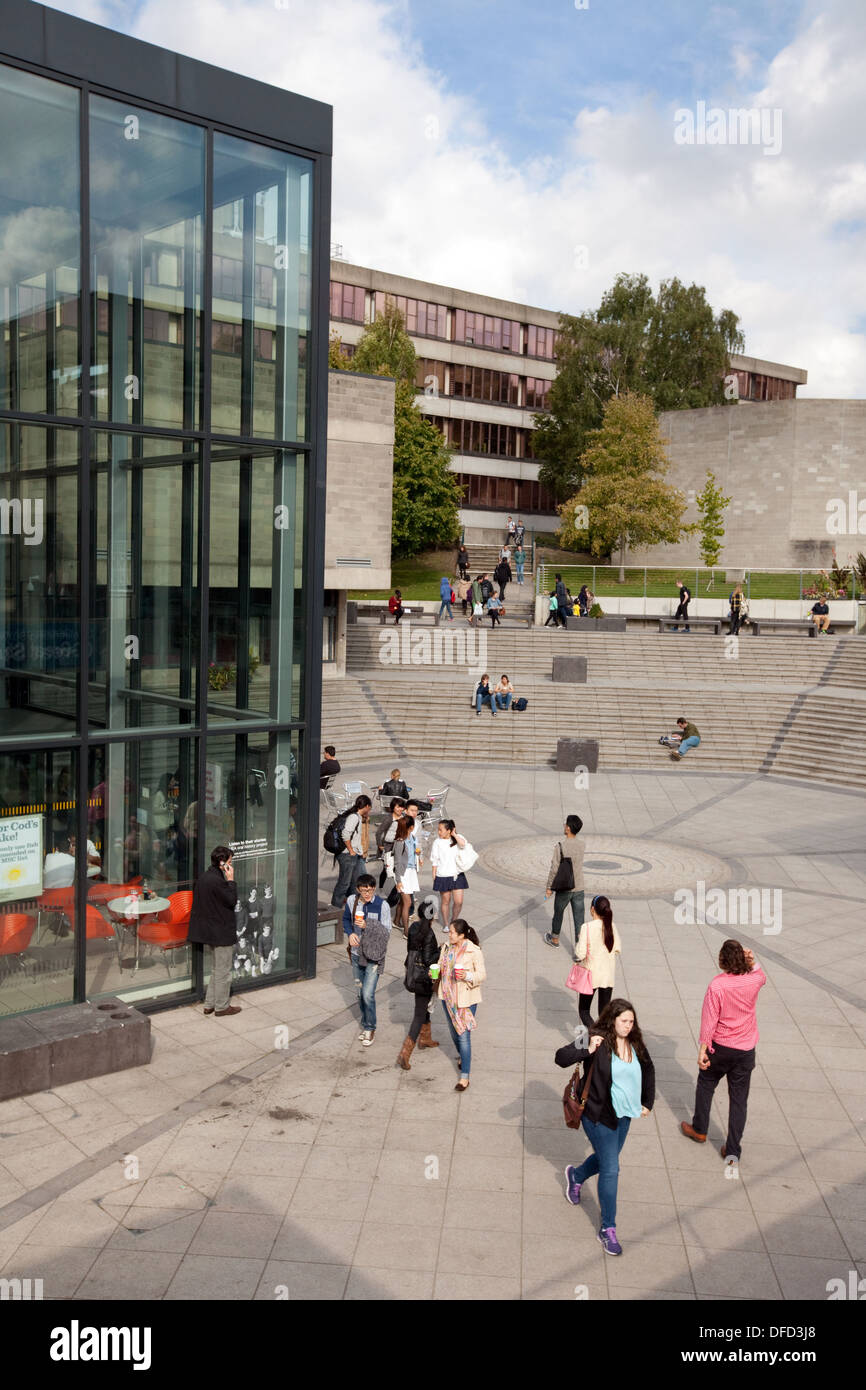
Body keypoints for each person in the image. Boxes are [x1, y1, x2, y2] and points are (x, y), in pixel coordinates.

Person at [556, 999, 655, 1255]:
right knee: (611, 1168)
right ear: (612, 1020)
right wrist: (587, 1049)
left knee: (604, 1159)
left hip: (625, 1116)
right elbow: (561, 1057)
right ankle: (607, 1229)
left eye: (631, 1021)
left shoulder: (635, 1042)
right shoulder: (596, 1038)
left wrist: (647, 1102)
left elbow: (649, 1068)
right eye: (624, 1021)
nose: (628, 1026)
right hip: (597, 1116)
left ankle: (575, 1176)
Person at [680, 941, 767, 1170]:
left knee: (706, 1083)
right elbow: (761, 975)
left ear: (722, 961)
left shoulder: (717, 985)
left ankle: (699, 1129)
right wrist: (752, 960)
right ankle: (733, 1151)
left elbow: (709, 1020)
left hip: (720, 1047)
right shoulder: (754, 979)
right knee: (739, 1101)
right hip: (745, 1050)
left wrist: (702, 1049)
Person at [188, 846, 241, 1016]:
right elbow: (232, 900)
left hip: (211, 931)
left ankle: (209, 1004)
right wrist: (231, 880)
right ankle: (222, 1006)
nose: (231, 866)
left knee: (216, 969)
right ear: (222, 863)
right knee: (223, 972)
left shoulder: (205, 877)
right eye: (230, 862)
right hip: (221, 932)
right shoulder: (218, 881)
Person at [342, 873, 392, 1046]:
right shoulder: (351, 901)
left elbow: (387, 933)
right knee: (359, 994)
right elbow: (346, 920)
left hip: (373, 956)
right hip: (356, 954)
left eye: (370, 890)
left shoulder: (382, 906)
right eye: (364, 890)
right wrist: (350, 934)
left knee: (367, 994)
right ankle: (366, 1024)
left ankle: (370, 1027)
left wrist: (368, 925)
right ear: (358, 889)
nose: (367, 893)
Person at [436, 919, 485, 1090]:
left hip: (465, 1000)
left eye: (451, 932)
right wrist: (434, 972)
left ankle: (465, 1076)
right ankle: (463, 1057)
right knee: (454, 1033)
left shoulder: (474, 951)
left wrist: (467, 976)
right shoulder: (446, 947)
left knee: (463, 1036)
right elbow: (441, 967)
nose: (449, 935)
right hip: (447, 998)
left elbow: (482, 975)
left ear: (462, 935)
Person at [398, 895, 442, 1069]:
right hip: (424, 979)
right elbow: (429, 960)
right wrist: (440, 951)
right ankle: (405, 1052)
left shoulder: (415, 927)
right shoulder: (429, 934)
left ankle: (425, 1038)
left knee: (423, 1009)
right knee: (419, 1013)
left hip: (413, 974)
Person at [573, 895, 622, 1028]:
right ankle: (605, 1039)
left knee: (584, 1011)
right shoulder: (611, 926)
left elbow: (579, 953)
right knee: (603, 1014)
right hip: (607, 977)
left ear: (592, 909)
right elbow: (617, 949)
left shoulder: (587, 927)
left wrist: (579, 940)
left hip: (590, 976)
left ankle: (596, 1035)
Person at [544, 814, 585, 948]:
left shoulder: (560, 846)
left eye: (565, 824)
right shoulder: (582, 845)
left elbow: (554, 869)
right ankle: (580, 949)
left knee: (558, 913)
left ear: (568, 828)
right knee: (579, 919)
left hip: (565, 887)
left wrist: (549, 887)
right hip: (579, 886)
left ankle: (555, 939)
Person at [330, 793, 372, 907]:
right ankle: (335, 909)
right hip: (347, 855)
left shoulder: (358, 816)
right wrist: (351, 850)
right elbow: (345, 834)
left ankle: (354, 907)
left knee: (356, 883)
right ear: (367, 806)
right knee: (344, 883)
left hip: (354, 854)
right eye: (370, 808)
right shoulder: (354, 817)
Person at [430, 818, 469, 929]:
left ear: (448, 830)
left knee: (459, 901)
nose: (439, 832)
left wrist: (454, 834)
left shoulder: (457, 839)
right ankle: (446, 924)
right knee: (446, 901)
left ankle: (454, 920)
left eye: (441, 830)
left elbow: (463, 845)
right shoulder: (437, 842)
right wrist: (434, 875)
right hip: (443, 875)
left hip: (457, 875)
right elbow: (435, 860)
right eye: (438, 829)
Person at [392, 814, 422, 935]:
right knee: (408, 902)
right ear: (410, 827)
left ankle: (396, 921)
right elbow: (397, 862)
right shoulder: (400, 842)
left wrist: (418, 855)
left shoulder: (413, 838)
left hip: (411, 871)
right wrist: (398, 880)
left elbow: (416, 851)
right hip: (402, 874)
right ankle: (406, 932)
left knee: (402, 901)